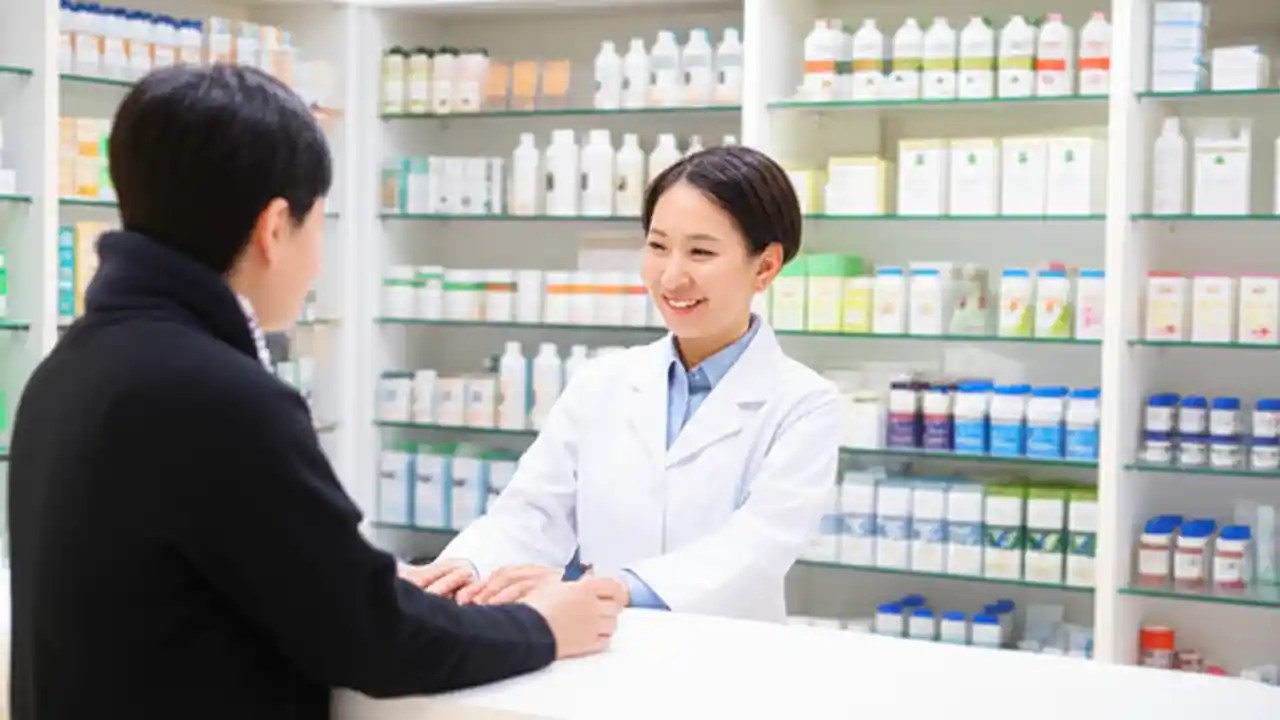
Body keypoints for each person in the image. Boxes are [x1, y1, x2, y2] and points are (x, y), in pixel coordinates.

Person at [6, 65, 622, 719]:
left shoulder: (68, 368)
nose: (318, 257)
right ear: (275, 228)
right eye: (319, 225)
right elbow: (374, 639)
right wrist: (544, 625)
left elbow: (198, 574)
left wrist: (348, 571)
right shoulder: (219, 396)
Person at [405, 145, 841, 622]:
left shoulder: (804, 404)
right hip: (604, 643)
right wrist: (467, 566)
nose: (671, 277)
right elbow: (531, 512)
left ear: (765, 266)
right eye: (658, 247)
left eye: (701, 252)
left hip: (724, 651)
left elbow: (756, 547)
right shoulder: (602, 382)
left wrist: (612, 588)